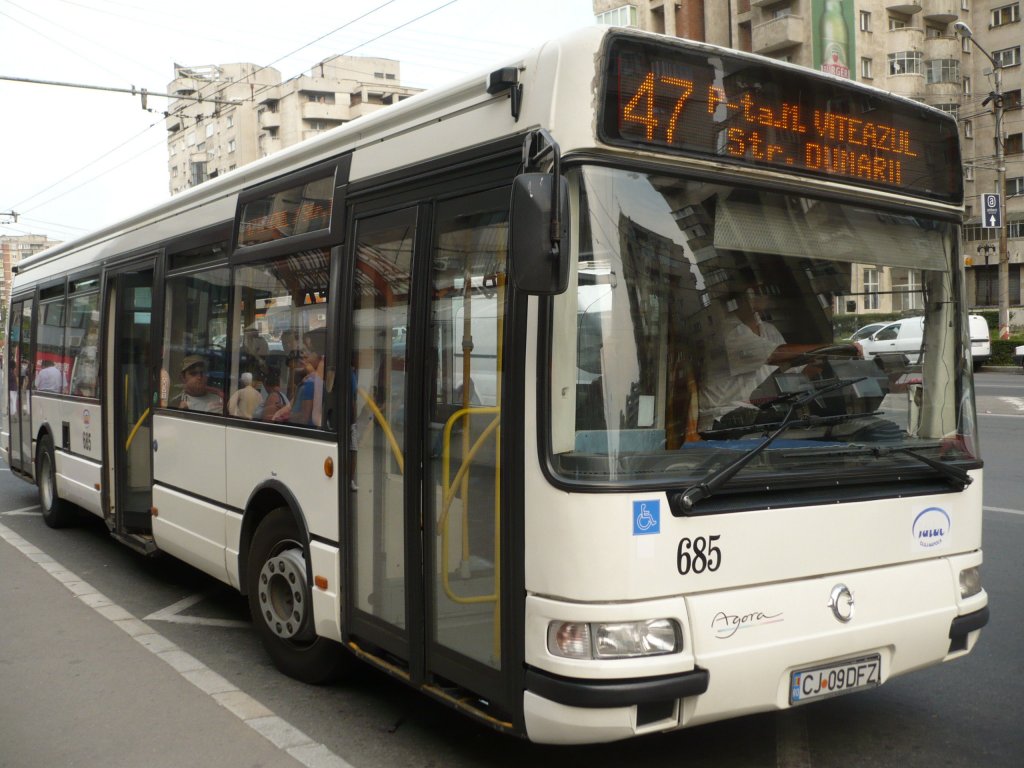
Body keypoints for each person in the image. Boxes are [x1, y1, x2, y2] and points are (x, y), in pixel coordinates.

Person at [698, 288, 787, 432]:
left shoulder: (769, 329)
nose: (758, 298)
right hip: (721, 419)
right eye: (751, 294)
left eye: (761, 292)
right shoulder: (728, 331)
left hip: (756, 414)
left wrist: (817, 360)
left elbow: (792, 367)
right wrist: (826, 347)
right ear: (738, 302)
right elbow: (776, 355)